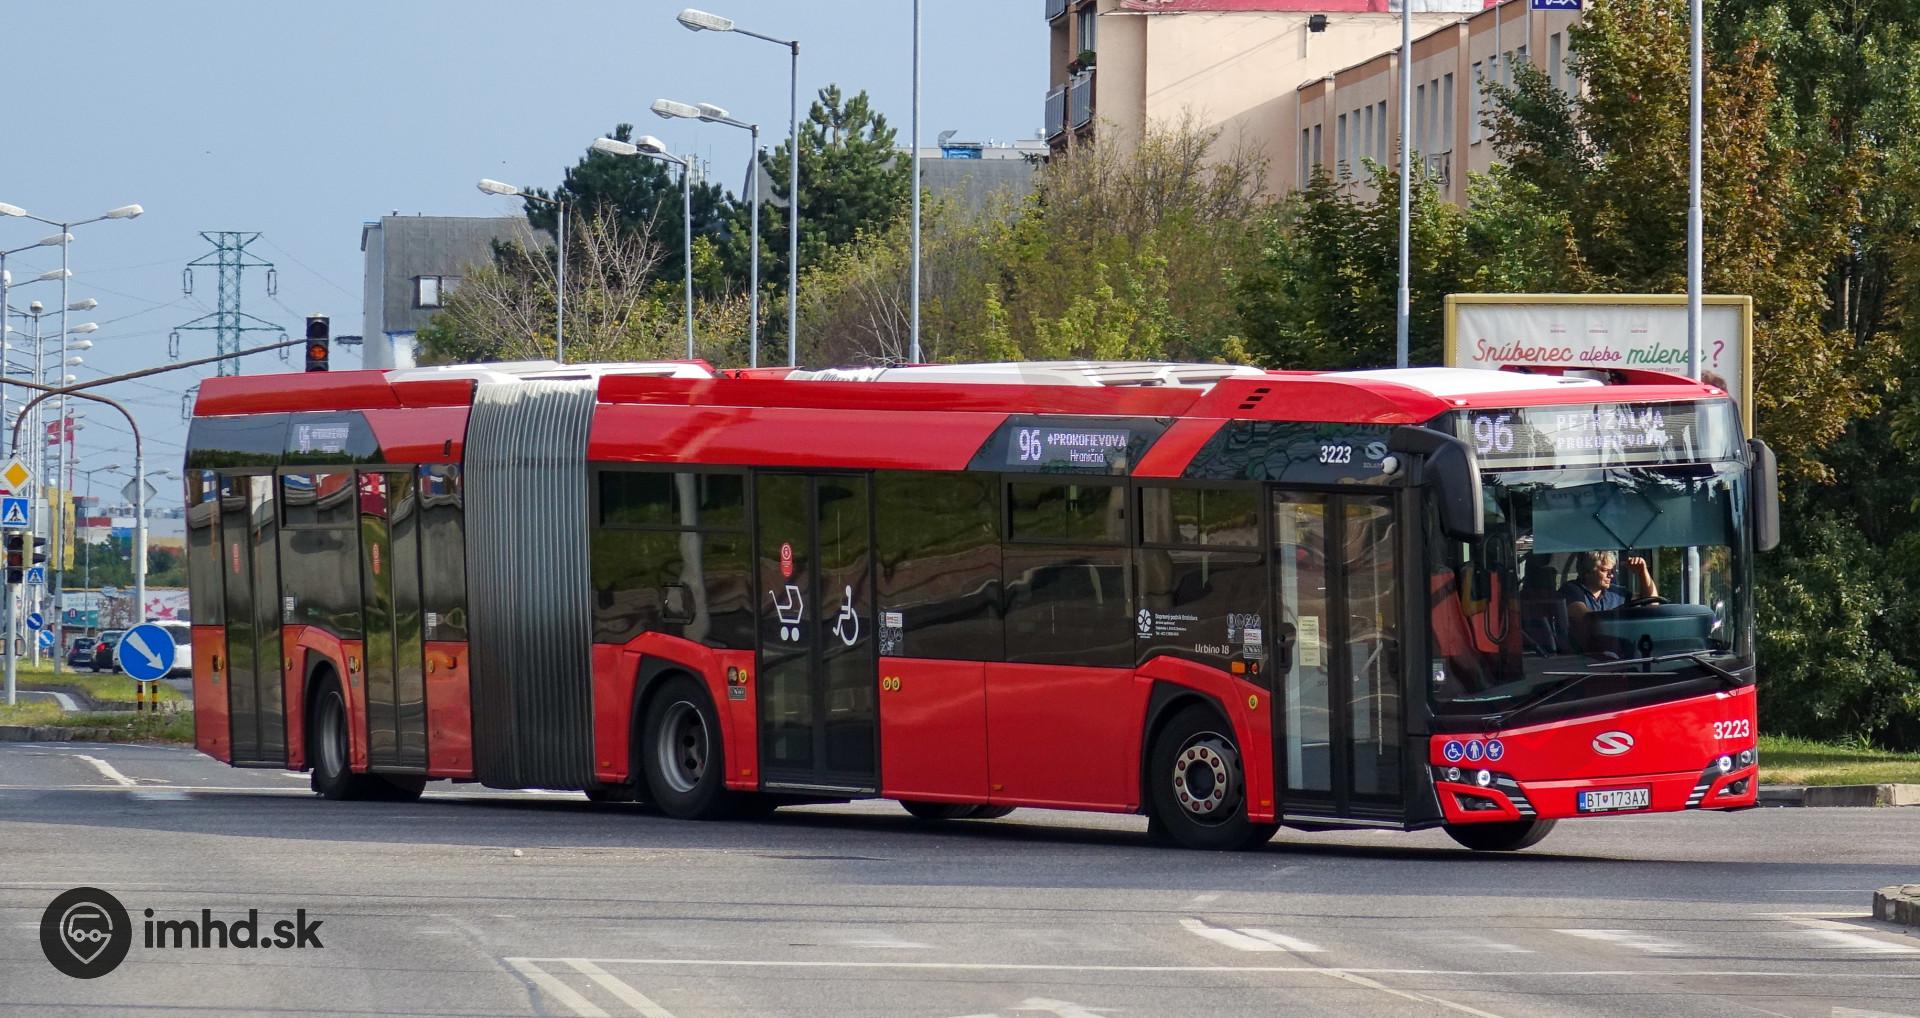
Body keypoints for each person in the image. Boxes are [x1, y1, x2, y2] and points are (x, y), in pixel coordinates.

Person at [1559, 550, 1657, 650]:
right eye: (1605, 570)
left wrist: (1642, 571)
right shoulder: (1570, 590)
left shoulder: (1615, 593)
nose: (1611, 575)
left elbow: (1652, 604)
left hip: (1617, 655)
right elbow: (1588, 619)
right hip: (1584, 657)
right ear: (1587, 572)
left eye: (1612, 571)